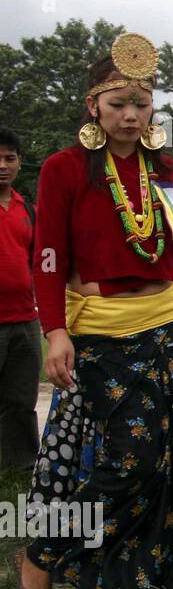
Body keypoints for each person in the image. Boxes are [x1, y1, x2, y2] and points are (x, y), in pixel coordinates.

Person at [18, 33, 173, 589]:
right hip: (104, 326)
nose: (131, 115)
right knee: (131, 456)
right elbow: (48, 255)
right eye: (117, 104)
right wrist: (55, 330)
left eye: (142, 102)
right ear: (93, 106)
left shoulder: (164, 166)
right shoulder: (63, 169)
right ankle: (44, 552)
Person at [0, 127, 41, 474]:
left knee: (21, 400)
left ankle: (23, 467)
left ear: (19, 163)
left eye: (9, 158)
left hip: (26, 321)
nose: (2, 165)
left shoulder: (27, 209)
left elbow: (40, 263)